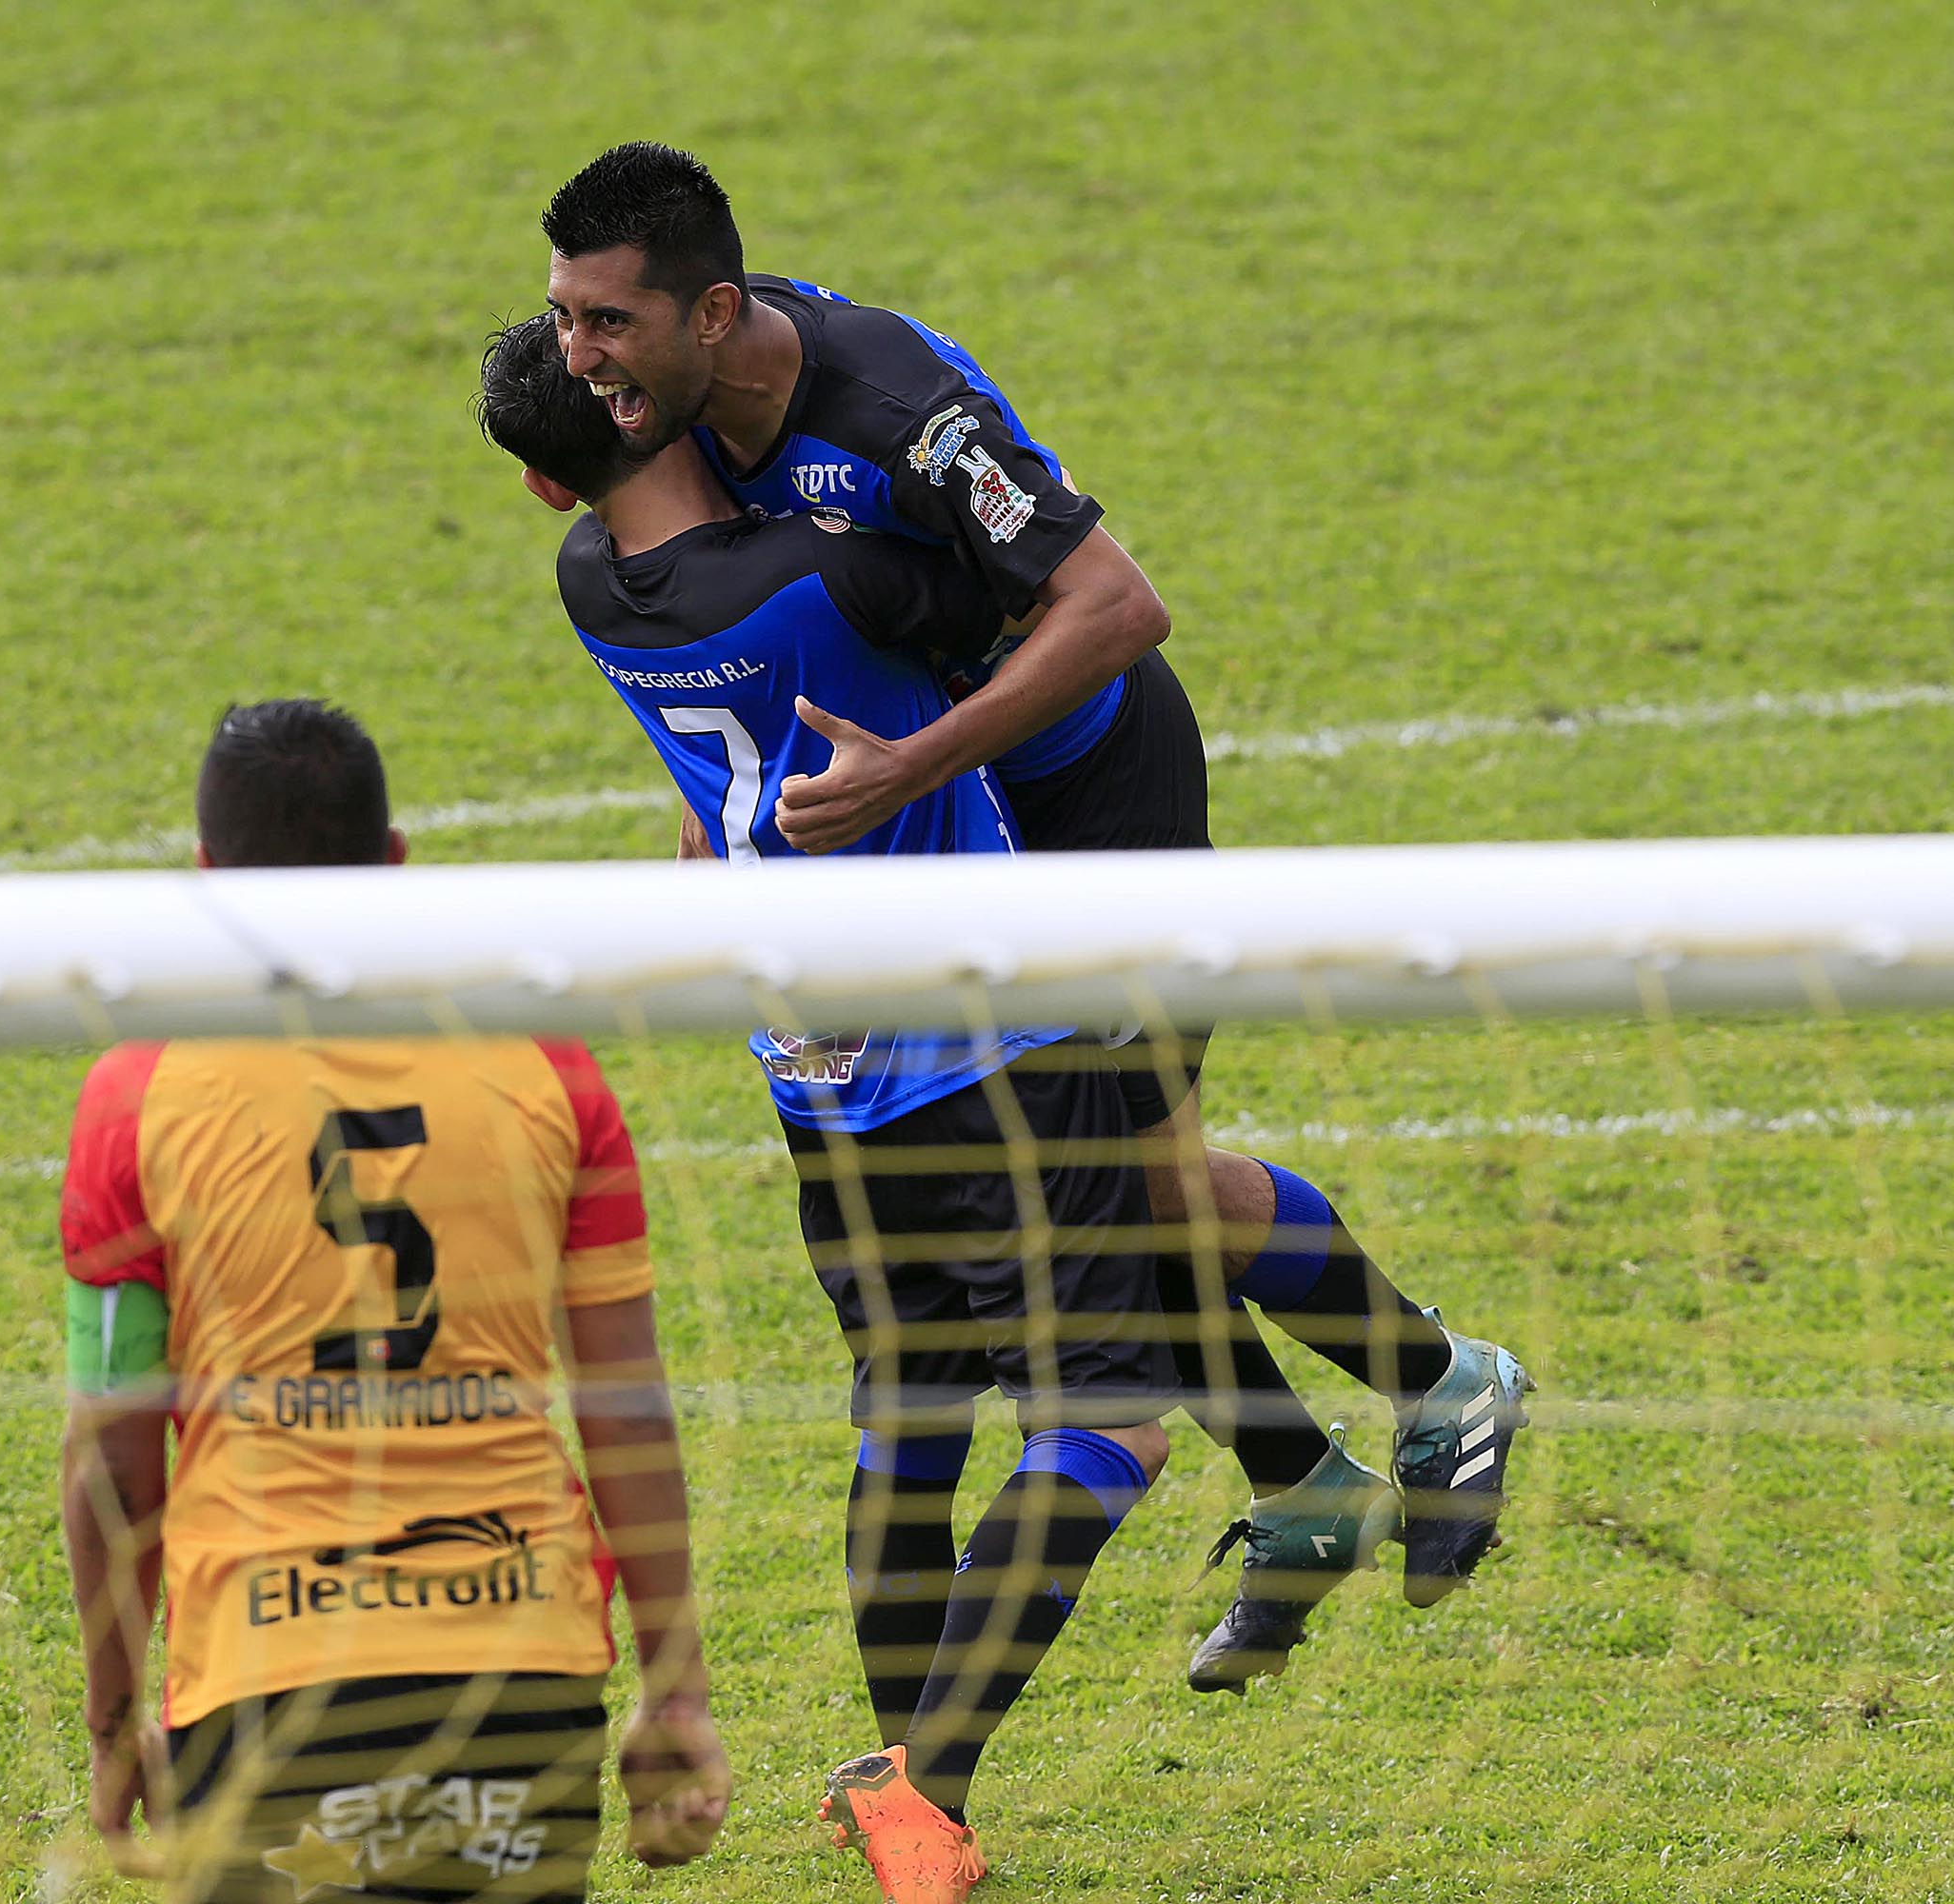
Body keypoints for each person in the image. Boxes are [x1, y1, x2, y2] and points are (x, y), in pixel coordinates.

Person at [535, 143, 1533, 1672]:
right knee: (1105, 1192)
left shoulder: (891, 411)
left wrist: (907, 769)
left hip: (1088, 787)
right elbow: (766, 654)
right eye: (565, 321)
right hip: (946, 808)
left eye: (607, 325)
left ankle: (1439, 1386)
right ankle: (1311, 1482)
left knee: (1128, 1187)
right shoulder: (686, 420)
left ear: (715, 313)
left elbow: (1121, 607)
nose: (580, 359)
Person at [483, 320, 1193, 1904]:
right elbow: (1056, 604)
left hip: (810, 1058)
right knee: (1108, 1424)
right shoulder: (831, 574)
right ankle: (920, 1781)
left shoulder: (591, 585)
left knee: (906, 1411)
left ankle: (915, 1833)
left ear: (546, 486)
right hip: (989, 1047)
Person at [57, 700, 730, 1901]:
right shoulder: (548, 1068)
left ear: (206, 873)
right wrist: (671, 1681)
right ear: (398, 861)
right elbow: (625, 1409)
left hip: (263, 1676)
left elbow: (114, 1454)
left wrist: (115, 1722)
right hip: (518, 1670)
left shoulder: (136, 1093)